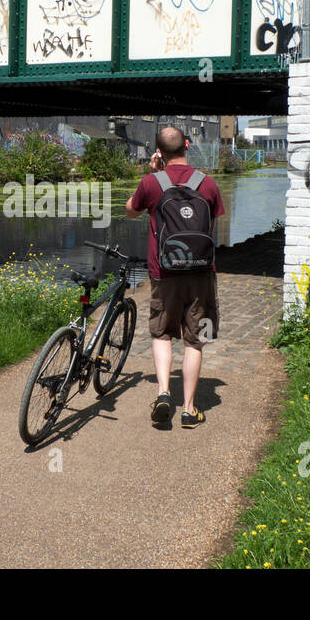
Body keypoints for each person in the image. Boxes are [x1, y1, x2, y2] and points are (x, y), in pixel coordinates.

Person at [125, 127, 225, 428]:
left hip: (163, 272)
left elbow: (130, 210)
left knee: (162, 333)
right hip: (201, 271)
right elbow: (215, 219)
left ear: (158, 152)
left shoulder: (151, 184)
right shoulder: (207, 184)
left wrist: (153, 174)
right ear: (187, 144)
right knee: (195, 340)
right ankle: (189, 409)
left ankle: (164, 392)